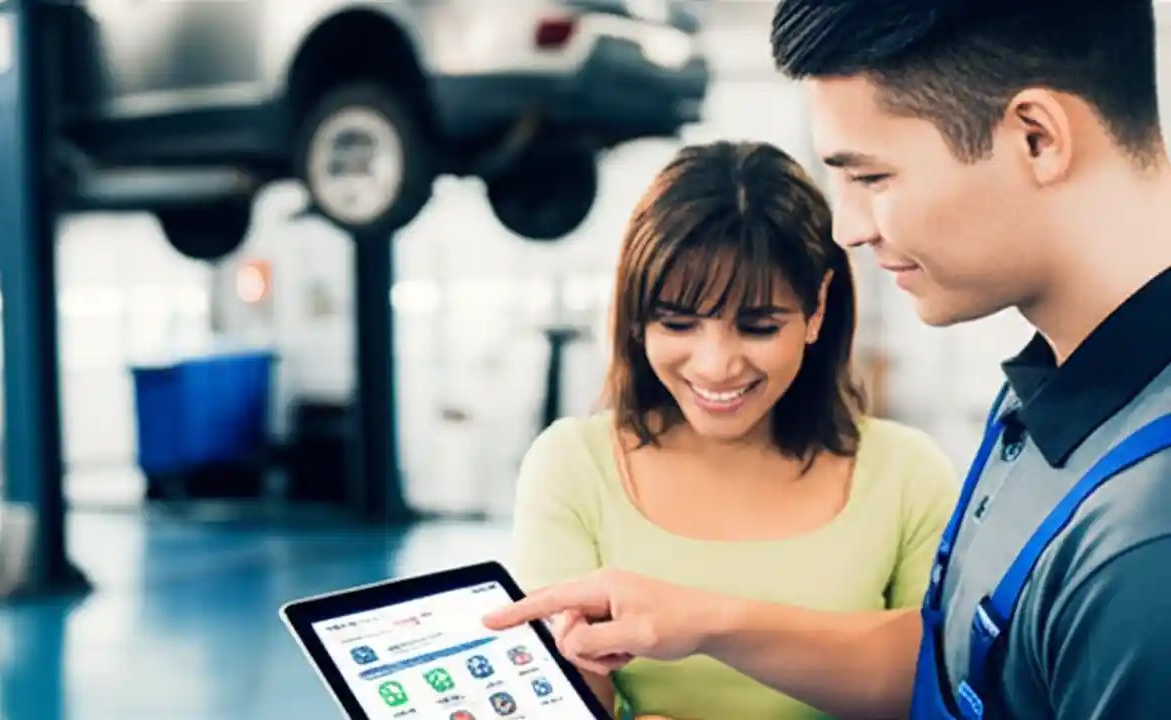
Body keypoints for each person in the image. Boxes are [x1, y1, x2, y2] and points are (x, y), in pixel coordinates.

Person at [487, 1, 1171, 718]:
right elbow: (941, 667)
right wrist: (708, 622)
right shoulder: (1035, 415)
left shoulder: (1144, 535)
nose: (845, 229)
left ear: (1036, 138)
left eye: (871, 178)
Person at [508, 140, 957, 719]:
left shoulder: (907, 474)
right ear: (637, 314)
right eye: (677, 323)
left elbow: (937, 684)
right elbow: (559, 701)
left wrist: (705, 623)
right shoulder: (574, 465)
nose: (716, 365)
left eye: (759, 326)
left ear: (817, 307)